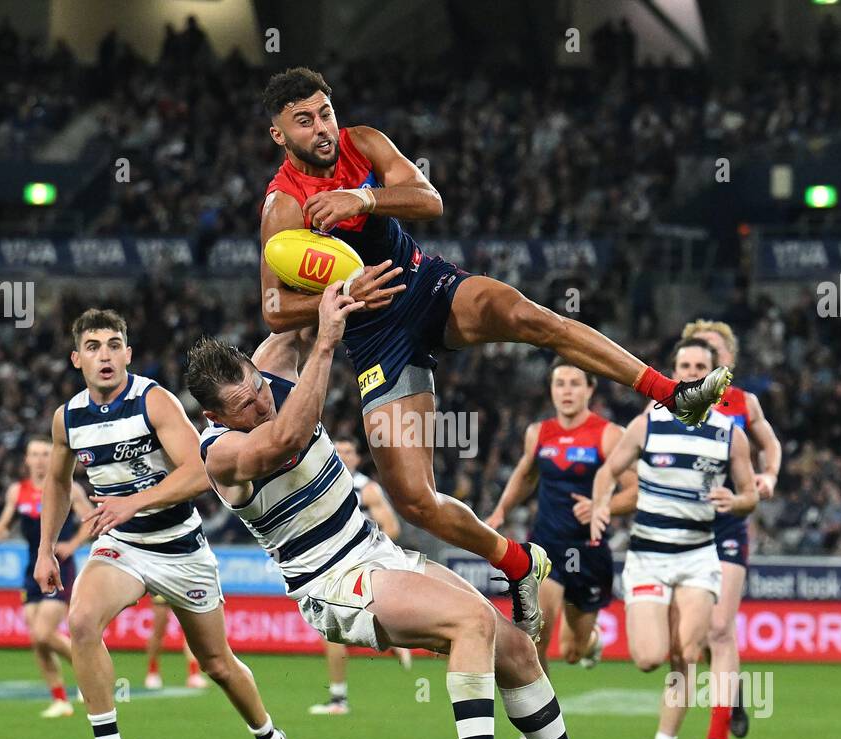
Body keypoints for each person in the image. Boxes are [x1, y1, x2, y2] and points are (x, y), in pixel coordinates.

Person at [256, 67, 732, 640]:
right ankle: (518, 564)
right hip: (374, 336)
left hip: (424, 286)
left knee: (532, 317)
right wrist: (342, 297)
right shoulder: (284, 207)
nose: (322, 128)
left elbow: (429, 200)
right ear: (279, 134)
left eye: (325, 112)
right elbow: (274, 309)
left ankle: (672, 394)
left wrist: (363, 197)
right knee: (415, 501)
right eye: (303, 121)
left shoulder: (365, 143)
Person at [188, 283, 662, 739]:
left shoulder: (270, 365)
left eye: (256, 388)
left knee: (511, 644)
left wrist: (344, 275)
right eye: (244, 406)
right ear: (215, 415)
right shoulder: (221, 452)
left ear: (252, 366)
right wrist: (325, 342)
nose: (261, 402)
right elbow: (285, 441)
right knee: (468, 623)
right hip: (334, 583)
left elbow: (291, 298)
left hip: (376, 554)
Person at [35, 308, 301, 739]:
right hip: (124, 547)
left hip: (180, 550)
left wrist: (132, 502)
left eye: (114, 344)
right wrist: (46, 548)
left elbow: (203, 472)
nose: (105, 355)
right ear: (77, 359)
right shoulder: (67, 418)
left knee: (218, 664)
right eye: (93, 347)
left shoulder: (152, 401)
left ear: (128, 354)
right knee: (82, 620)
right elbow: (55, 479)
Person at [590, 338, 758, 739]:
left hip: (699, 556)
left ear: (712, 375)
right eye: (683, 364)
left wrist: (736, 502)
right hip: (648, 557)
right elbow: (608, 470)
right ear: (673, 370)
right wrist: (600, 506)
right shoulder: (647, 424)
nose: (689, 372)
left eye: (699, 365)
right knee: (649, 657)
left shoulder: (729, 433)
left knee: (687, 652)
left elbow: (751, 494)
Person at [487, 361, 636, 739]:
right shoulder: (539, 433)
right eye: (559, 384)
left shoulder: (609, 435)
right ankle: (538, 728)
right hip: (546, 549)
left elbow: (636, 490)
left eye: (574, 384)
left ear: (590, 390)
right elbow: (525, 476)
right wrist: (501, 512)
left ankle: (591, 642)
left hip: (589, 552)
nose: (566, 391)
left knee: (573, 650)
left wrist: (604, 504)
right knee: (532, 637)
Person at [684, 320, 782, 739]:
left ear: (728, 358)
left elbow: (770, 443)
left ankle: (716, 738)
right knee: (694, 635)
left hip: (727, 524)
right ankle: (732, 688)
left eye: (716, 351)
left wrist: (768, 476)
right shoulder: (672, 401)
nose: (708, 359)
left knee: (720, 627)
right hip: (678, 527)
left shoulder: (742, 403)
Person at [0, 437, 94, 717]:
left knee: (45, 632)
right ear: (27, 459)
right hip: (33, 567)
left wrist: (72, 544)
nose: (41, 459)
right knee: (37, 639)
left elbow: (90, 521)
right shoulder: (17, 491)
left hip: (59, 567)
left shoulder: (67, 486)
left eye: (46, 453)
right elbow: (5, 523)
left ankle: (89, 675)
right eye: (35, 454)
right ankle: (59, 699)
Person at [308, 437, 409, 715]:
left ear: (356, 458)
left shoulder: (367, 489)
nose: (343, 455)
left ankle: (339, 699)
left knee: (332, 628)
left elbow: (392, 527)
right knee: (334, 628)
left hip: (362, 566)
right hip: (333, 568)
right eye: (337, 450)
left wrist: (360, 551)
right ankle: (392, 639)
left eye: (348, 451)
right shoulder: (318, 485)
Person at [144, 595, 210, 690]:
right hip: (162, 588)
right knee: (158, 631)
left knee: (190, 631)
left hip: (183, 588)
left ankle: (194, 674)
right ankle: (152, 672)